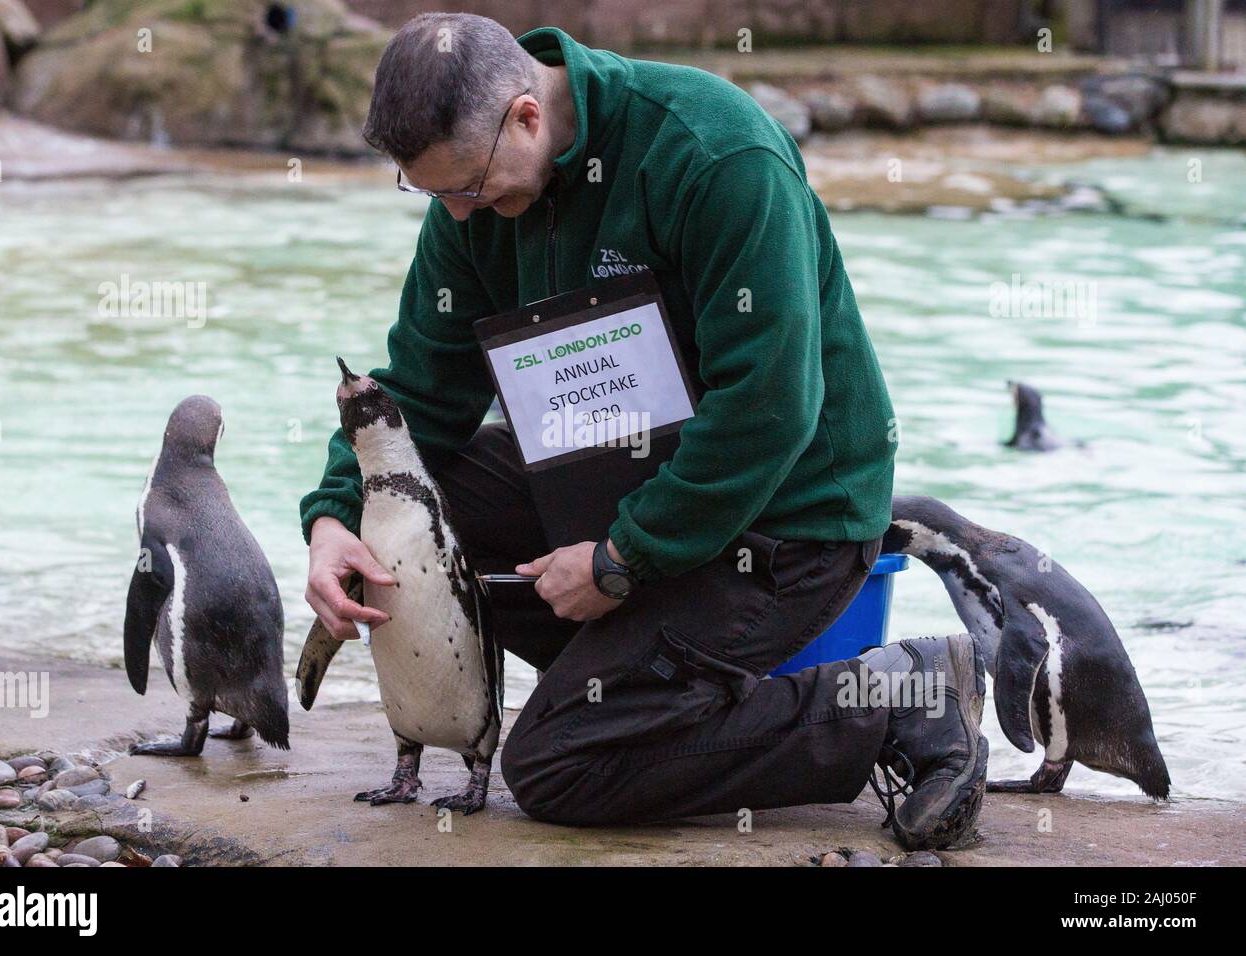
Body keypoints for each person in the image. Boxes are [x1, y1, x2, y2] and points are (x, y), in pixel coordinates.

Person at [300, 13, 988, 849]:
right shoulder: (472, 207)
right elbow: (419, 392)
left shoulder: (715, 155)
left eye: (469, 187)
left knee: (557, 768)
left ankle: (892, 707)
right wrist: (337, 518)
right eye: (431, 192)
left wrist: (626, 561)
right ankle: (643, 693)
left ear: (526, 114)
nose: (457, 213)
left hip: (780, 518)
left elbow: (767, 409)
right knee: (413, 511)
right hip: (603, 490)